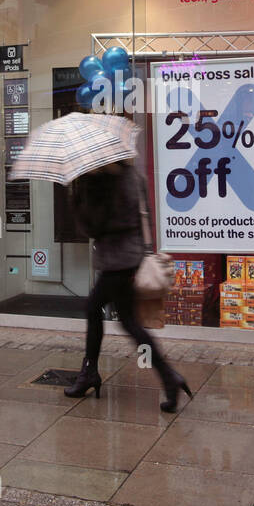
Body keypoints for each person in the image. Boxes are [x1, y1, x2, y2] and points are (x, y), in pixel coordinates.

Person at [64, 160, 191, 412]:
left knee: (103, 312)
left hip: (117, 261)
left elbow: (93, 226)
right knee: (120, 318)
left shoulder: (105, 181)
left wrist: (77, 194)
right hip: (129, 257)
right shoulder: (133, 174)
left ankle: (92, 374)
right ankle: (167, 377)